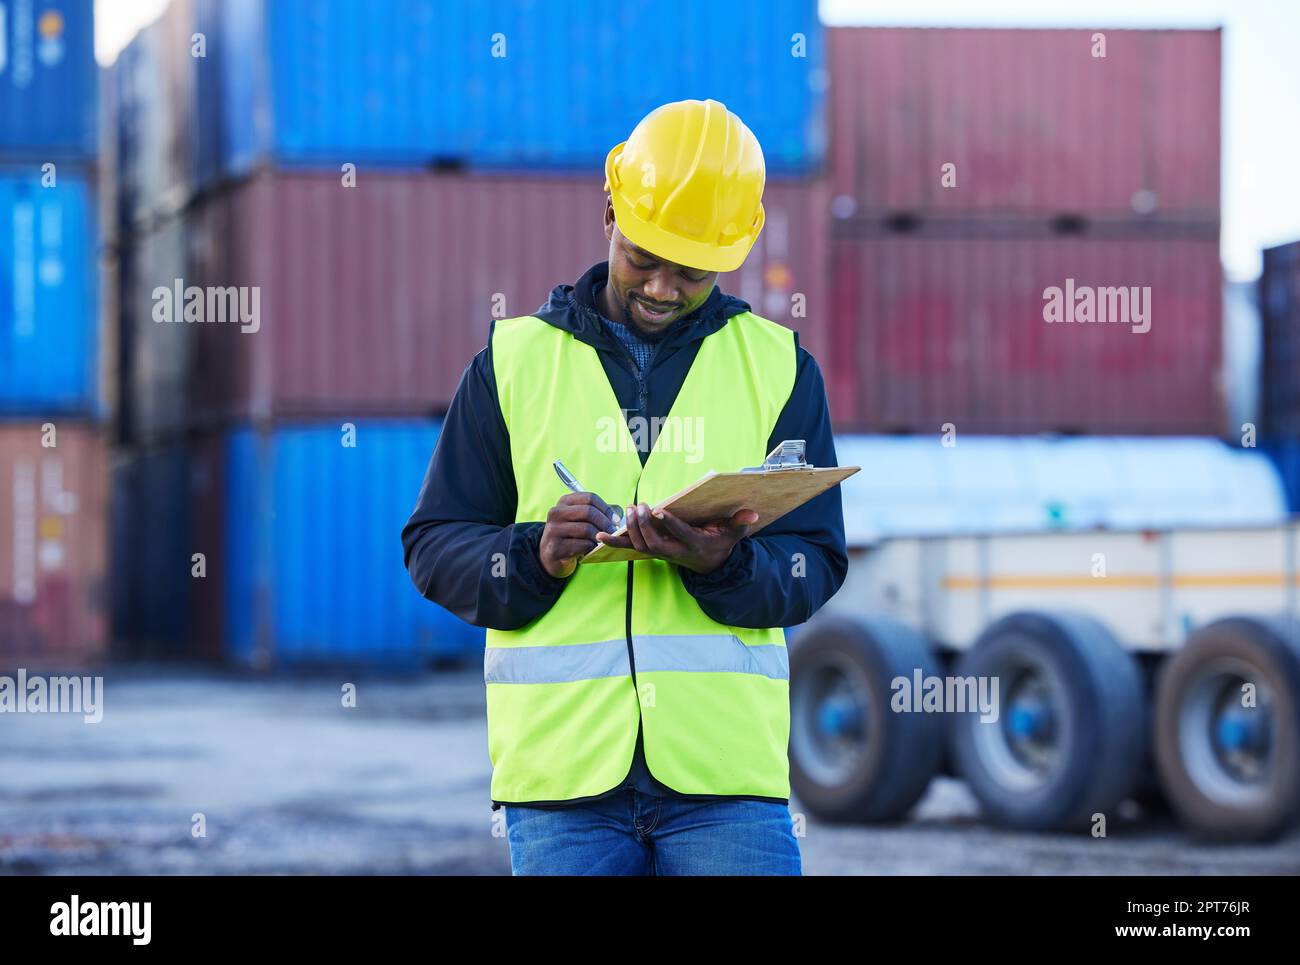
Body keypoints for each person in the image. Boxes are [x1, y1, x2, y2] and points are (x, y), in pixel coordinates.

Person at [402, 99, 846, 875]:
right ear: (610, 208)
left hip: (725, 781)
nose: (665, 287)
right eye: (644, 257)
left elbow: (815, 561)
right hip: (563, 783)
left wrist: (727, 565)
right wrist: (537, 554)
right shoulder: (512, 364)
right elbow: (435, 546)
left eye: (693, 270)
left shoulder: (780, 370)